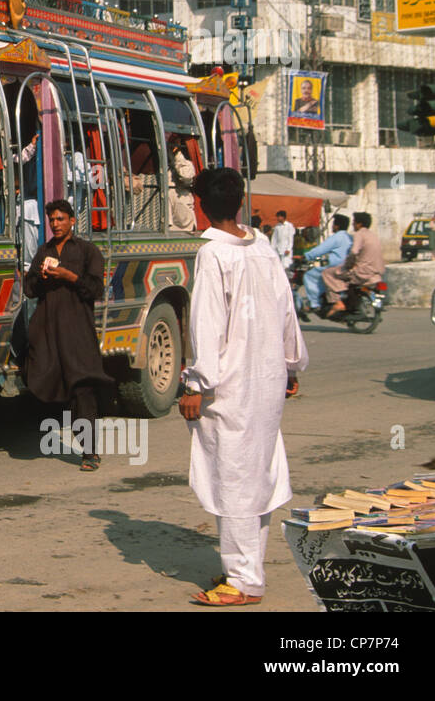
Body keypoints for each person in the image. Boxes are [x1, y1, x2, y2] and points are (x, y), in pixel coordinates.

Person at [181, 167, 307, 607]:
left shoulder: (213, 254)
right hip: (267, 379)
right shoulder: (264, 247)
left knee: (234, 476)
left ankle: (243, 581)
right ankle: (246, 568)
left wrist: (197, 383)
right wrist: (291, 367)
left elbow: (207, 325)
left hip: (231, 385)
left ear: (200, 205)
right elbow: (286, 311)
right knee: (257, 473)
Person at [22, 199, 113, 471]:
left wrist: (68, 276)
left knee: (82, 388)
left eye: (61, 219)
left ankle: (90, 452)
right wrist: (42, 277)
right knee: (38, 373)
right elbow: (29, 289)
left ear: (72, 221)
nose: (56, 224)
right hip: (48, 329)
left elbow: (95, 289)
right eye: (52, 220)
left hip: (77, 331)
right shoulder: (44, 251)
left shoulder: (87, 251)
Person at [322, 211, 383, 318]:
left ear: (359, 224)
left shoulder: (359, 234)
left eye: (354, 222)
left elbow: (354, 252)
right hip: (376, 271)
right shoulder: (373, 235)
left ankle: (337, 302)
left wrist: (348, 264)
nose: (353, 225)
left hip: (361, 271)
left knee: (327, 273)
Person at [299, 214, 352, 315]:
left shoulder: (337, 237)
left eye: (333, 224)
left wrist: (307, 256)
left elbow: (321, 249)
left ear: (337, 226)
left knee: (309, 275)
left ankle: (315, 304)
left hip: (335, 268)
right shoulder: (349, 237)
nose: (332, 226)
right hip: (345, 267)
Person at [167, 136, 197, 231]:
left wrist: (177, 154)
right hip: (170, 214)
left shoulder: (186, 162)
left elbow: (186, 175)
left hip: (183, 217)